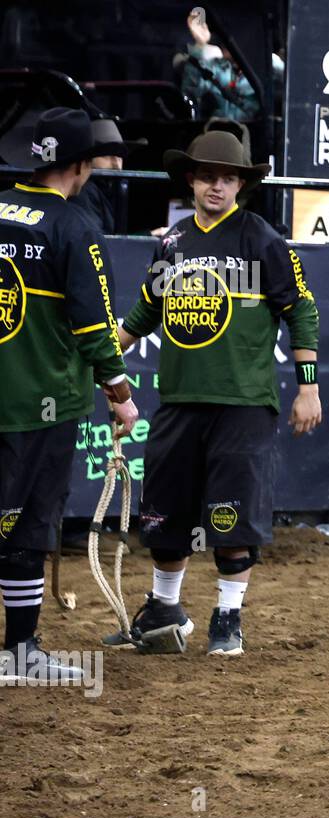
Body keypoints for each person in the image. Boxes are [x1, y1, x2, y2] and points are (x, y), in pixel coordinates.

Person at [102, 128, 322, 657]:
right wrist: (102, 360)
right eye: (207, 177)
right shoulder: (173, 243)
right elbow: (142, 314)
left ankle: (227, 617)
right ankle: (164, 611)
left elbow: (301, 310)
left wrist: (308, 389)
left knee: (231, 517)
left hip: (243, 403)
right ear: (191, 181)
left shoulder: (261, 237)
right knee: (165, 516)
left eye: (227, 178)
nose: (216, 186)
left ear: (241, 184)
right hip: (179, 399)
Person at [0, 108, 138, 683]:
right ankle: (21, 649)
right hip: (38, 402)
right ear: (80, 165)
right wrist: (121, 393)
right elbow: (93, 325)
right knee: (29, 523)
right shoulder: (74, 226)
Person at [177, 7, 260, 121]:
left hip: (251, 134)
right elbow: (188, 99)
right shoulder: (209, 67)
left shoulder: (264, 69)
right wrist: (201, 46)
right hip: (212, 133)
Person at [70, 118, 147, 235]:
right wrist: (148, 236)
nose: (116, 164)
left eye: (119, 156)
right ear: (87, 160)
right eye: (107, 156)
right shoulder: (84, 190)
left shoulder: (111, 189)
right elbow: (96, 241)